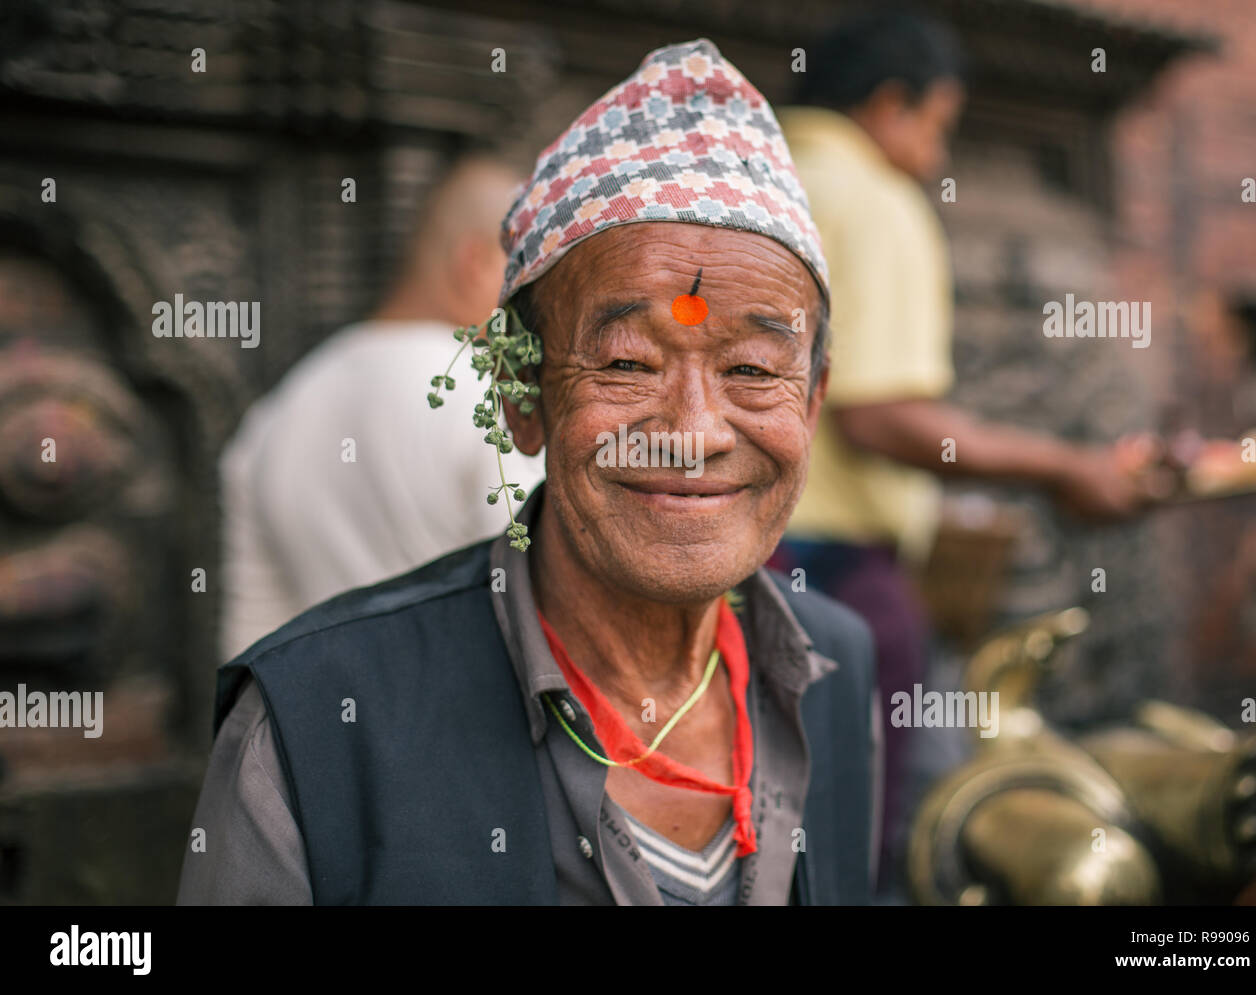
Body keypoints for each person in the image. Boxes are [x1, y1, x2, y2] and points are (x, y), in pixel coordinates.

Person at [177, 38, 881, 906]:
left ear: (811, 400)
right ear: (520, 390)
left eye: (753, 369)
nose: (694, 431)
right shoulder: (307, 726)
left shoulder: (832, 672)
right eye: (627, 363)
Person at [773, 11, 1164, 893]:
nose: (937, 156)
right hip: (828, 566)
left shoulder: (746, 179)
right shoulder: (872, 199)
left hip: (714, 553)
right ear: (888, 104)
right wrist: (1066, 468)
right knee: (850, 841)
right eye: (937, 125)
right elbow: (876, 414)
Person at [218, 155, 543, 660]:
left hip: (333, 706)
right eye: (528, 275)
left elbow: (253, 645)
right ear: (477, 265)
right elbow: (540, 606)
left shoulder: (279, 411)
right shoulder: (492, 398)